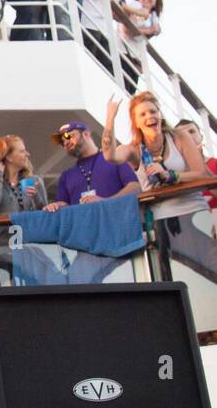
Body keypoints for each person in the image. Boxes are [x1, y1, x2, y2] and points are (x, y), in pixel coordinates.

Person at [101, 94, 213, 277]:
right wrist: (110, 118)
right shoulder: (134, 149)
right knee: (179, 276)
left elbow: (200, 173)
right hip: (164, 220)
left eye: (153, 111)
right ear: (136, 123)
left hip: (195, 211)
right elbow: (110, 156)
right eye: (143, 114)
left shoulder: (179, 137)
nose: (149, 117)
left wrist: (170, 175)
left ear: (160, 115)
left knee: (212, 266)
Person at [47, 120, 141, 210]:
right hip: (84, 226)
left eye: (68, 136)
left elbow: (135, 187)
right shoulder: (66, 176)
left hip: (116, 223)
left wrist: (105, 202)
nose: (66, 142)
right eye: (62, 142)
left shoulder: (113, 158)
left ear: (86, 134)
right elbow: (63, 205)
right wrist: (53, 207)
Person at [0, 135, 48, 216]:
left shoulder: (34, 181)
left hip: (30, 228)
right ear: (9, 157)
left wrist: (36, 197)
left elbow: (45, 213)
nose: (28, 154)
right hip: (4, 229)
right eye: (22, 151)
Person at [176, 119, 217, 212]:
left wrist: (200, 162)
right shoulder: (176, 173)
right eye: (183, 135)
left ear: (201, 137)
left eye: (191, 131)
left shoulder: (215, 163)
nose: (188, 137)